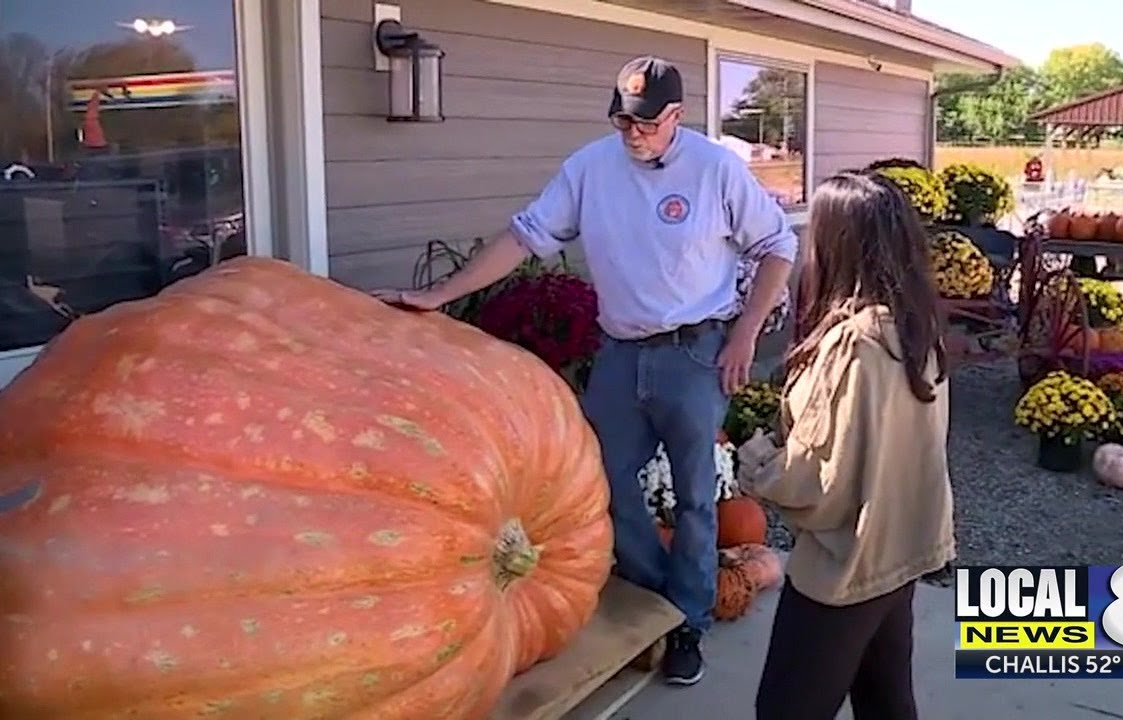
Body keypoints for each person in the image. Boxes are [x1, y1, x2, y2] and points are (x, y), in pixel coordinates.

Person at [370, 55, 798, 685]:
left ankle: (688, 625)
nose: (633, 132)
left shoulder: (715, 170)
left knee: (697, 499)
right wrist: (443, 294)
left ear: (676, 116)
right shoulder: (591, 168)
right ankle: (660, 596)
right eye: (623, 119)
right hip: (621, 354)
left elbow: (778, 247)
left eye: (647, 122)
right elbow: (524, 237)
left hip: (694, 351)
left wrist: (744, 335)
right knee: (600, 483)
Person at [737, 169, 954, 719]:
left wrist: (757, 463)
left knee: (785, 710)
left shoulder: (851, 345)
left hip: (846, 566)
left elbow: (817, 481)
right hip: (903, 549)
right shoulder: (914, 325)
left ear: (838, 245)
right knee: (885, 700)